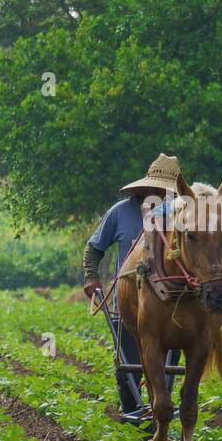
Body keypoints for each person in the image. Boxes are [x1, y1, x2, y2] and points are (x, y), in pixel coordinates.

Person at [82, 153, 183, 416]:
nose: (161, 196)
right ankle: (132, 411)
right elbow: (94, 248)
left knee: (167, 365)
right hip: (130, 305)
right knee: (131, 364)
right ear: (147, 187)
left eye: (166, 192)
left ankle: (160, 410)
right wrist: (91, 278)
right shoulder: (120, 212)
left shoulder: (182, 216)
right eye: (157, 190)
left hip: (172, 305)